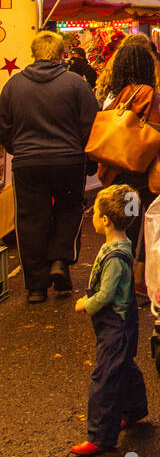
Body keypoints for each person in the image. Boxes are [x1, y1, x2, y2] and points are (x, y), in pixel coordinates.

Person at [0, 30, 99, 302]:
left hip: (28, 162)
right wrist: (85, 156)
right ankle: (61, 261)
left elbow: (4, 126)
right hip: (68, 160)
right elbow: (90, 124)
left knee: (31, 219)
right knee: (69, 210)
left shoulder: (13, 85)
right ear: (61, 54)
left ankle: (35, 286)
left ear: (34, 52)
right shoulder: (76, 85)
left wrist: (17, 148)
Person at [69, 184, 148, 457]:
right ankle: (135, 408)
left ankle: (101, 435)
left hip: (116, 323)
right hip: (120, 323)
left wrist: (85, 305)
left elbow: (105, 295)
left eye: (95, 212)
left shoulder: (115, 256)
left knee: (104, 376)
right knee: (122, 363)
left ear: (105, 219)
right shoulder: (116, 246)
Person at [93, 33, 160, 252]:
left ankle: (118, 267)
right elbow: (155, 129)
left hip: (114, 167)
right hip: (138, 170)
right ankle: (132, 276)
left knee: (121, 223)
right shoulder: (146, 93)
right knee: (139, 223)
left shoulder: (109, 94)